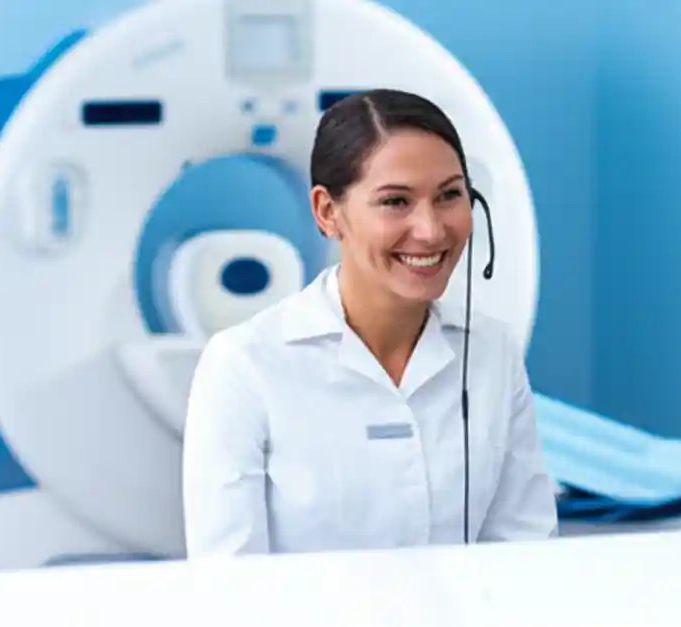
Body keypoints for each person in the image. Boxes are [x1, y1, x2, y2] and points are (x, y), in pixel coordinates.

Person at [181, 88, 559, 555]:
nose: (431, 230)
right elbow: (229, 584)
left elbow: (526, 551)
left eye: (449, 196)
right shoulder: (244, 364)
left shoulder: (490, 350)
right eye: (395, 201)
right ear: (327, 212)